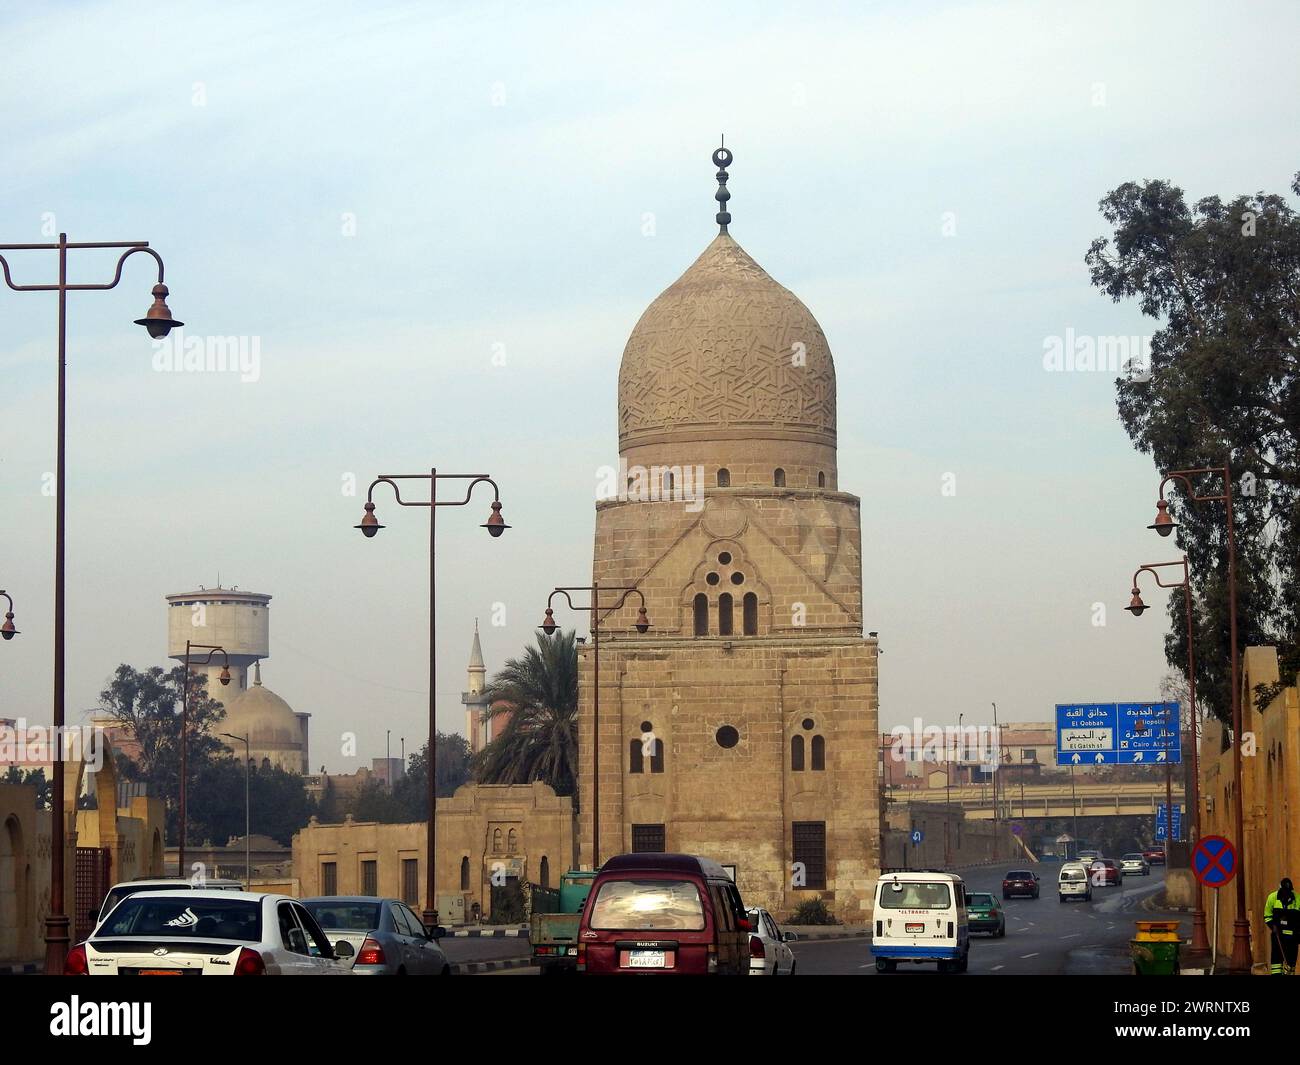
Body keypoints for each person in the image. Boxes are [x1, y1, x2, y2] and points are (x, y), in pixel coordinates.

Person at [1264, 877, 1299, 975]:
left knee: (1290, 965)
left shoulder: (1298, 899)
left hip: (1293, 938)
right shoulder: (1272, 898)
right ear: (1280, 890)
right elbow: (1267, 916)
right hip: (1277, 936)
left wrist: (1298, 934)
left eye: (1288, 892)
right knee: (1276, 963)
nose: (1286, 894)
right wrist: (1272, 926)